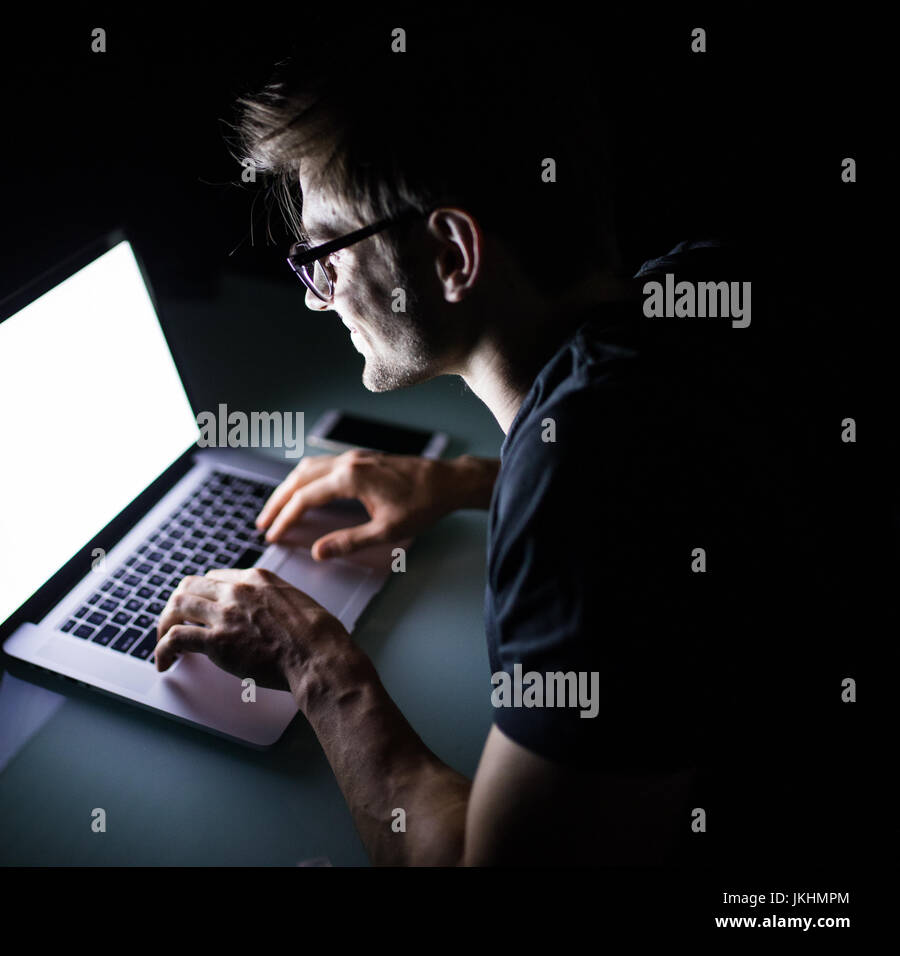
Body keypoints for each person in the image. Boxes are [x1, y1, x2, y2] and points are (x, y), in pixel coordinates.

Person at [152, 14, 836, 865]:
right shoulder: (693, 291)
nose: (314, 297)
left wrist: (312, 656)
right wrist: (471, 479)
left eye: (325, 255)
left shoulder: (579, 495)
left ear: (449, 252)